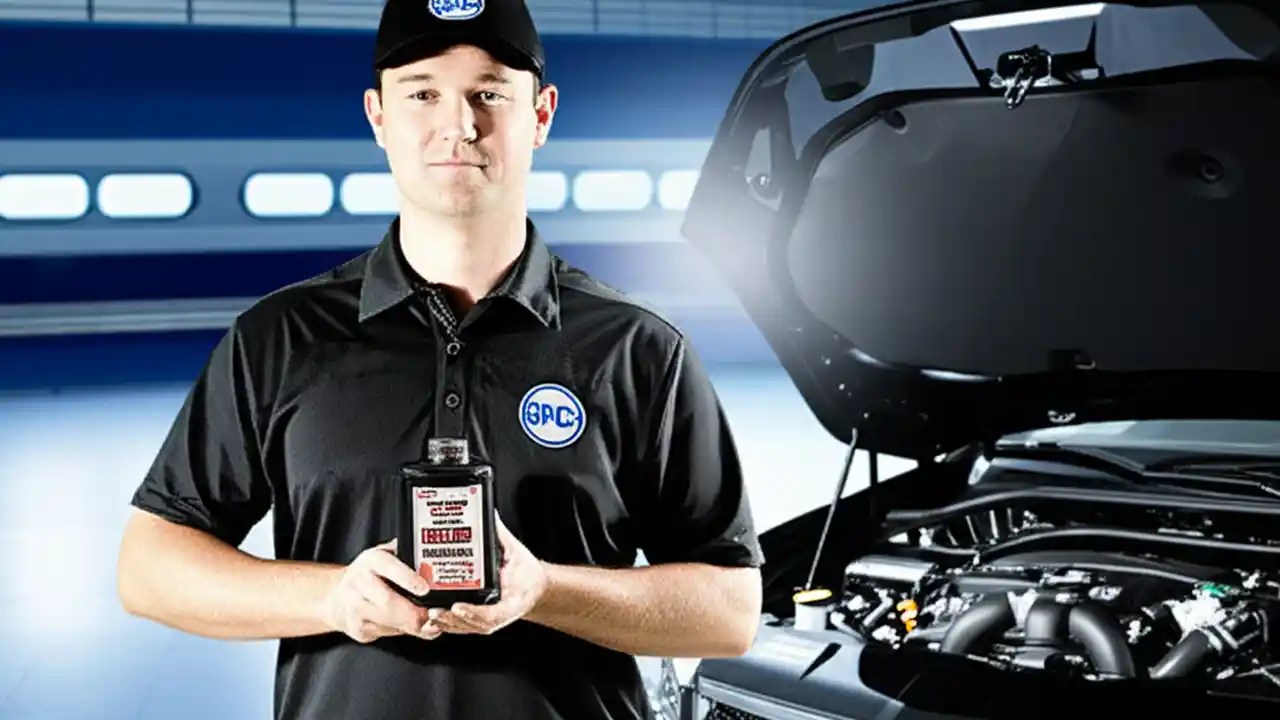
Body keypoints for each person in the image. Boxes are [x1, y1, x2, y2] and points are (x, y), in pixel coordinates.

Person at [115, 0, 765, 718]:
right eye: (423, 93)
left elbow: (731, 610)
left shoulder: (637, 349)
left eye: (489, 93)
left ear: (541, 115)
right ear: (378, 116)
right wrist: (335, 597)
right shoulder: (280, 340)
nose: (459, 125)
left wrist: (546, 589)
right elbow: (149, 568)